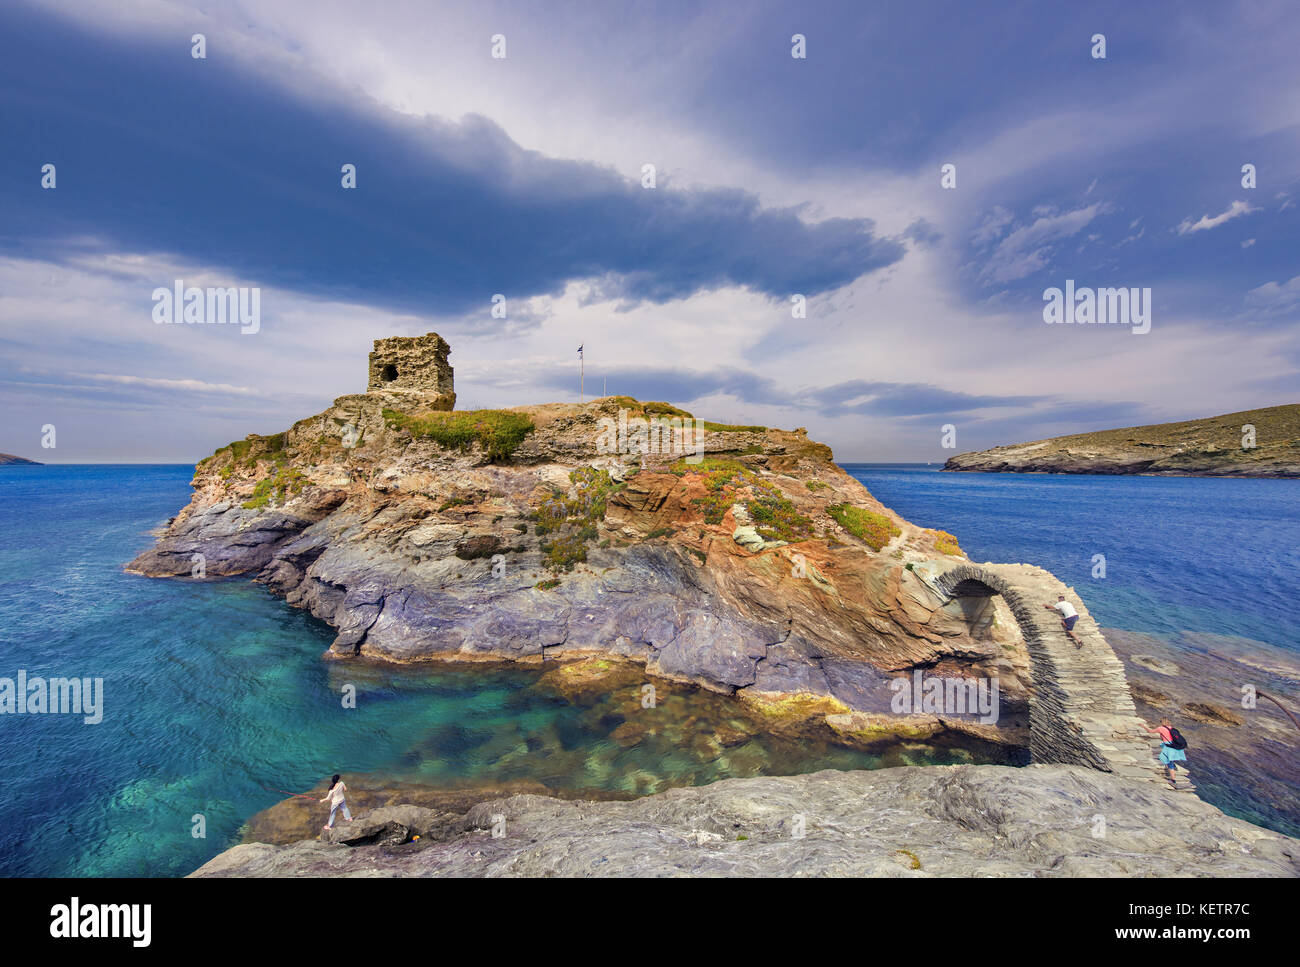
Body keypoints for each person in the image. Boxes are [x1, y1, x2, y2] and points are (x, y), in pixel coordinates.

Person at [1144, 718, 1188, 788]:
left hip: (1168, 746)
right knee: (1169, 758)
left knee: (1168, 762)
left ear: (1162, 722)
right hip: (1173, 745)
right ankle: (1173, 765)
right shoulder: (1171, 728)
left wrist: (1142, 726)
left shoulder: (1160, 728)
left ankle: (1173, 780)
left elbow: (1150, 731)